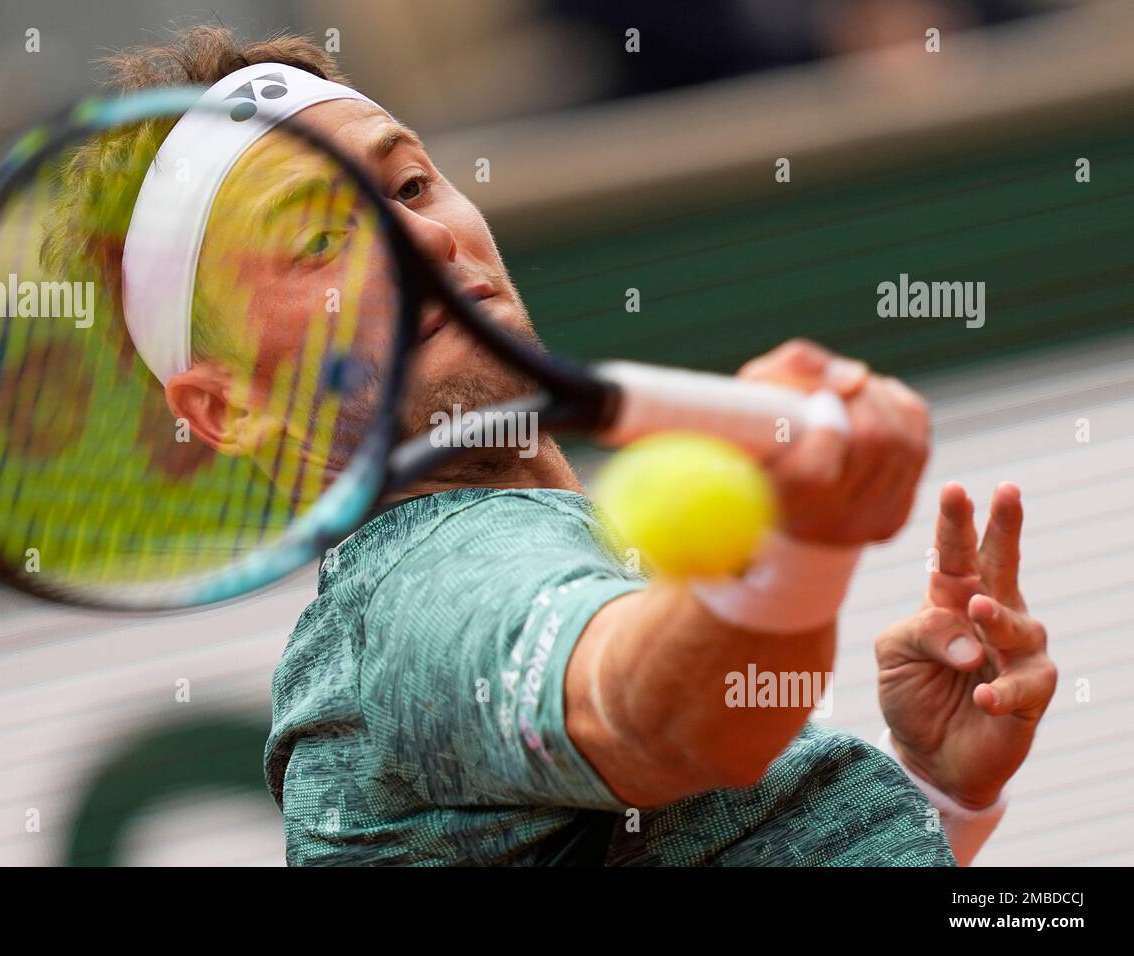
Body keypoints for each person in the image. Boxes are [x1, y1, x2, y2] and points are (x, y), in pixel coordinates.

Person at [68, 26, 1056, 865]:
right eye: (319, 241)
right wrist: (800, 544)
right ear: (225, 405)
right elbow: (663, 718)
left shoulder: (513, 562)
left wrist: (930, 797)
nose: (424, 243)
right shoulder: (423, 589)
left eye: (410, 185)